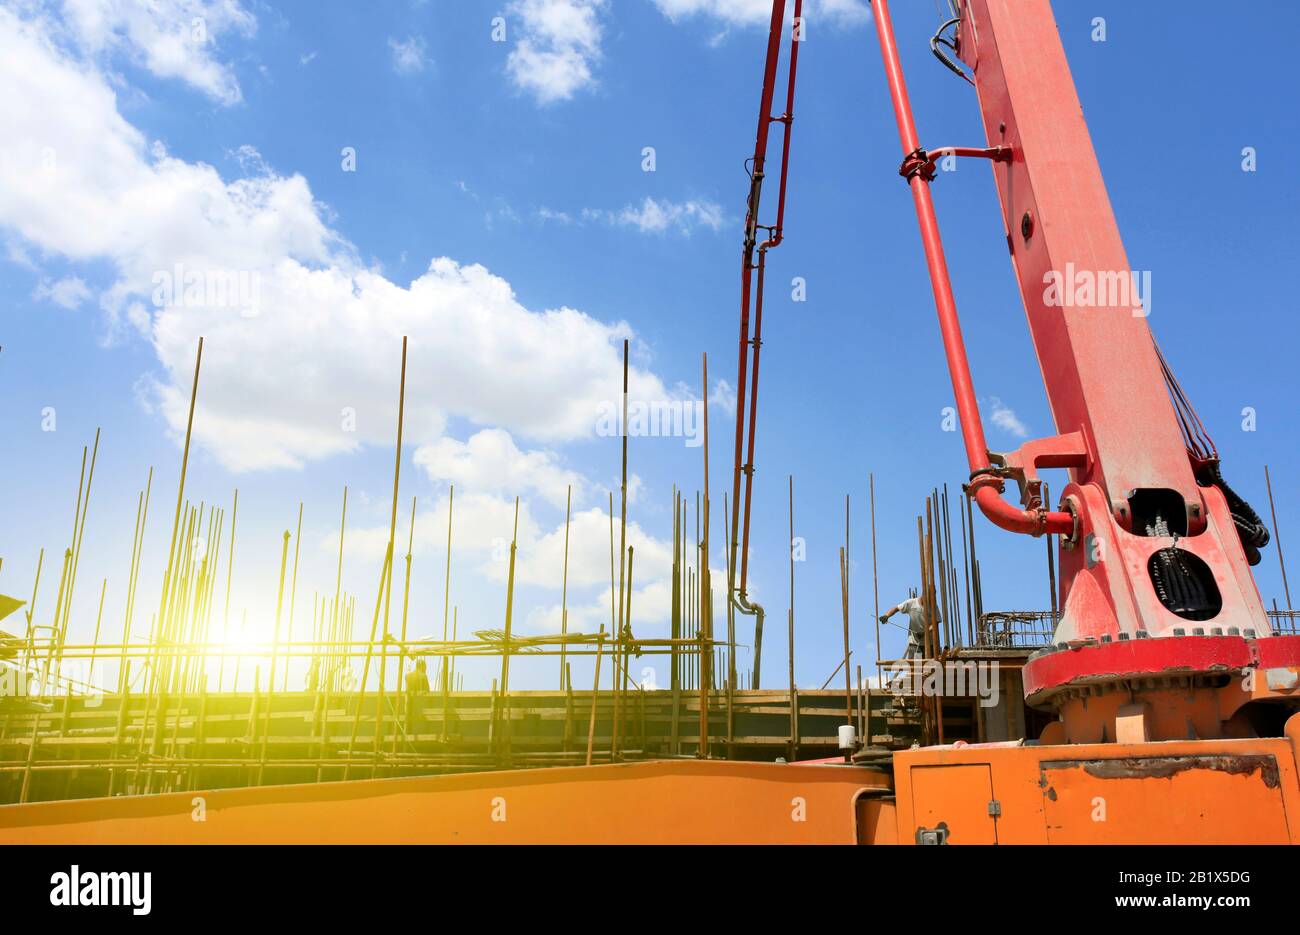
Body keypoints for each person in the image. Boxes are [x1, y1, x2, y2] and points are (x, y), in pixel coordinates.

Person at [879, 594, 938, 659]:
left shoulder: (933, 606)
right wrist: (886, 615)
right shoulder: (911, 603)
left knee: (930, 667)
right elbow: (896, 608)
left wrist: (925, 632)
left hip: (930, 645)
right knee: (916, 668)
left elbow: (935, 623)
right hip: (915, 645)